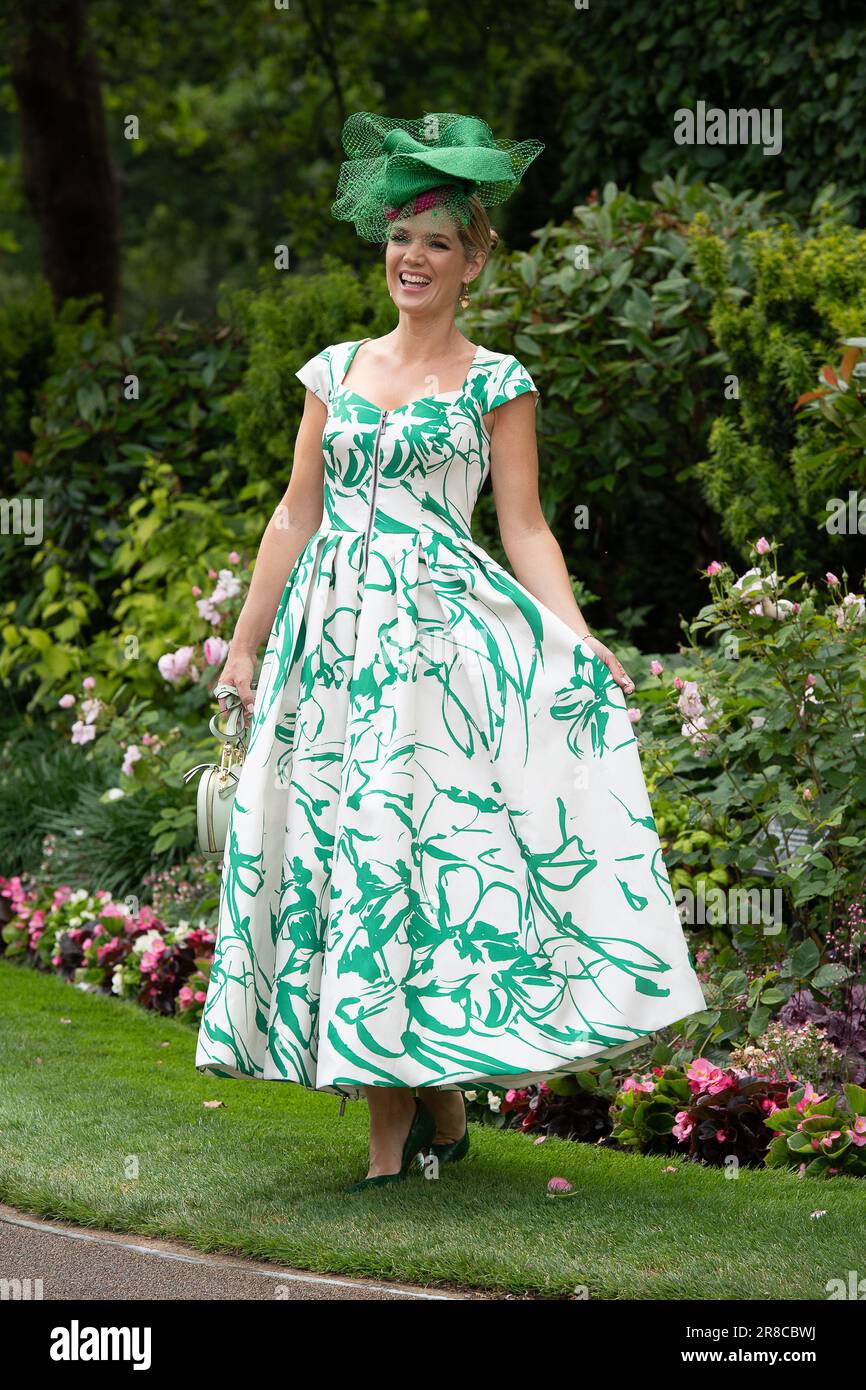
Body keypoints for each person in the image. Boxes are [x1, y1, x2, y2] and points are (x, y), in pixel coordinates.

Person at [194, 111, 707, 1193]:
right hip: (329, 656)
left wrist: (573, 640)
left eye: (435, 239)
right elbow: (294, 516)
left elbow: (522, 528)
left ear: (473, 258)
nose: (410, 256)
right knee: (348, 863)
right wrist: (242, 650)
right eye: (397, 235)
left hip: (439, 665)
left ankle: (396, 1152)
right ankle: (433, 1111)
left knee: (408, 868)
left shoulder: (496, 382)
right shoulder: (331, 370)